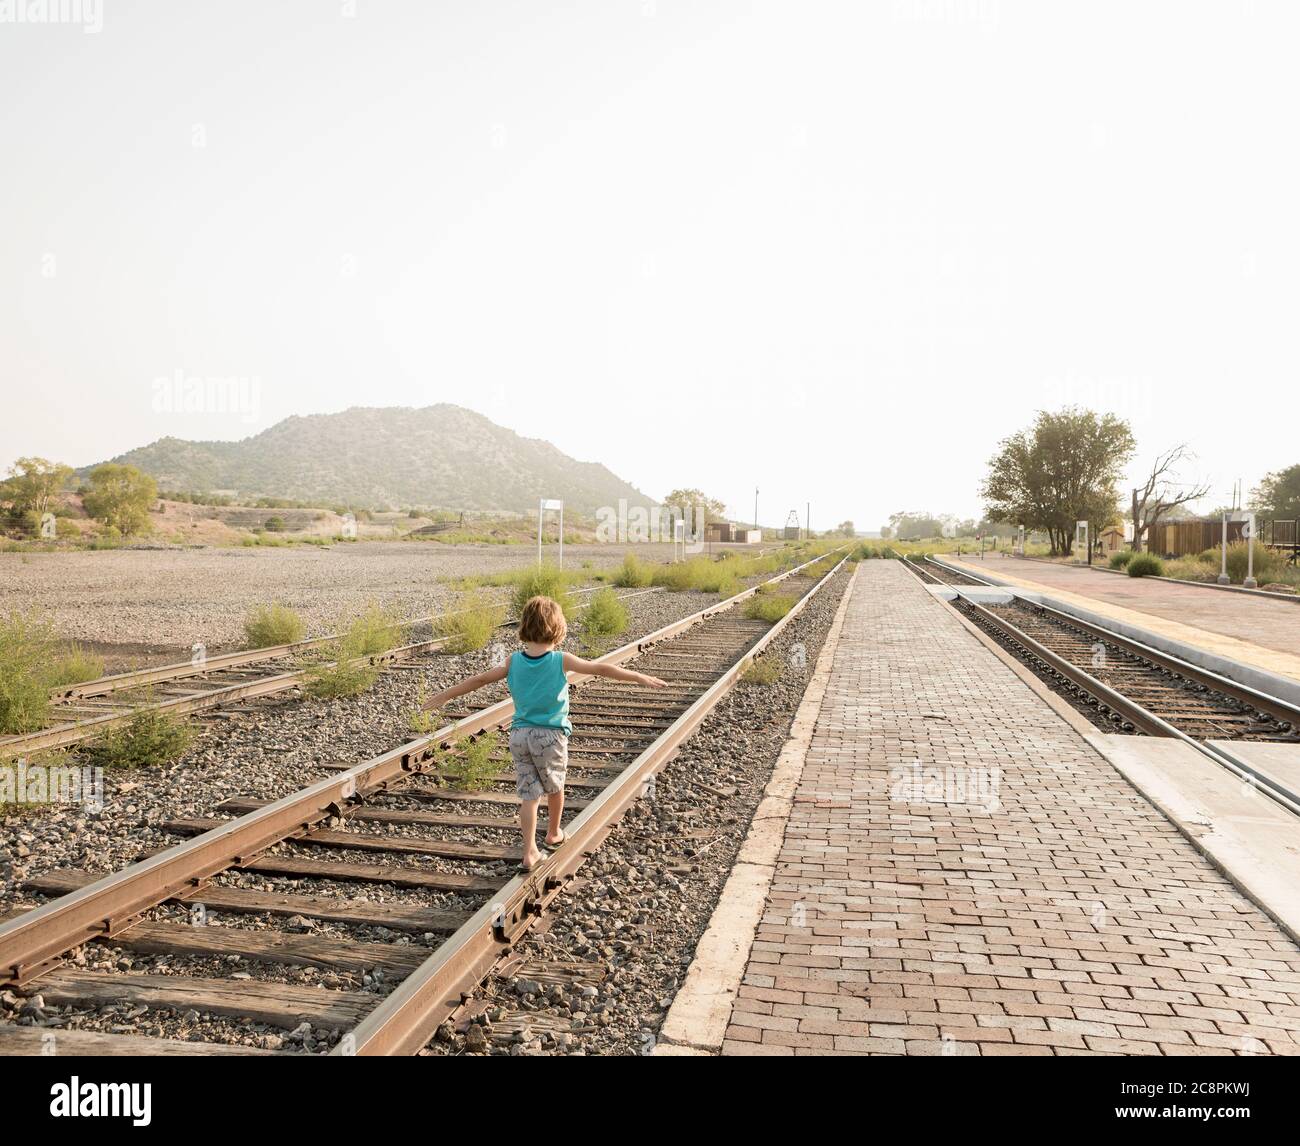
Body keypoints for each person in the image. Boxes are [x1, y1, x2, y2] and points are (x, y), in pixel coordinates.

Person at [418, 594, 667, 871]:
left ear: (525, 626)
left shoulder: (513, 661)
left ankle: (529, 852)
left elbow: (480, 680)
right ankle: (553, 833)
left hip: (520, 735)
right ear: (558, 628)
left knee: (529, 795)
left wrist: (445, 695)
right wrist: (639, 677)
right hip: (550, 736)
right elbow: (600, 668)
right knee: (555, 787)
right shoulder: (560, 659)